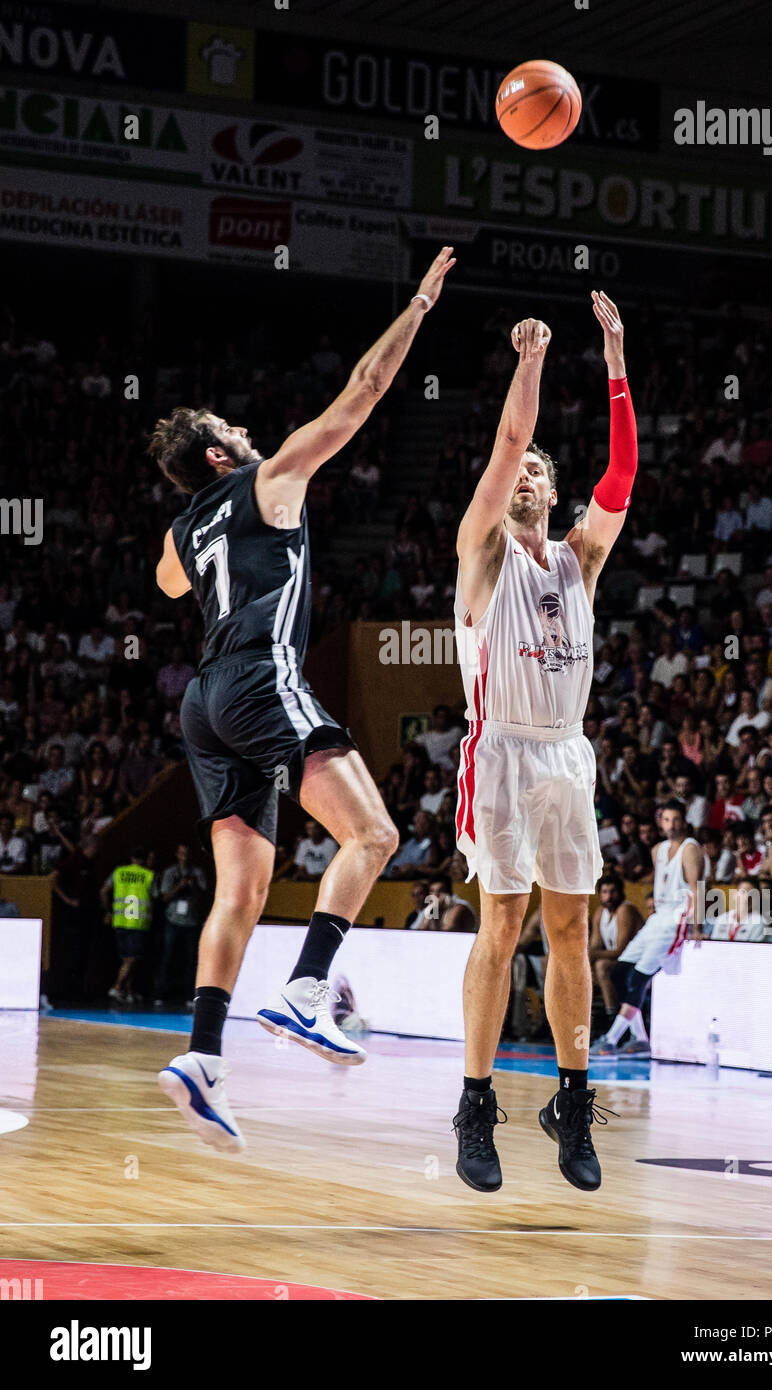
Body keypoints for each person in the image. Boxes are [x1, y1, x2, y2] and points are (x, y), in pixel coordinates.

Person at [148, 247, 455, 1152]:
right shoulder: (269, 480)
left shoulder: (180, 525)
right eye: (230, 429)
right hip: (255, 676)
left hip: (202, 703)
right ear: (218, 453)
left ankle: (201, 1058)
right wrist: (420, 307)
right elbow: (361, 391)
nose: (247, 432)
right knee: (375, 835)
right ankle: (308, 990)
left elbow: (169, 584)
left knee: (240, 891)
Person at [452, 291, 636, 1193]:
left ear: (555, 492)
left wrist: (614, 363)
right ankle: (477, 1103)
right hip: (500, 753)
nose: (523, 475)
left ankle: (571, 1096)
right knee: (503, 924)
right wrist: (529, 362)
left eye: (538, 471)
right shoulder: (482, 550)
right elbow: (503, 445)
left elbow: (625, 477)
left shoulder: (581, 558)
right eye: (516, 468)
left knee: (572, 930)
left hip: (567, 753)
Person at [590, 800, 703, 1058]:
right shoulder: (657, 850)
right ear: (660, 822)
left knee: (639, 978)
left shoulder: (690, 849)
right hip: (657, 918)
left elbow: (697, 888)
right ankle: (640, 1038)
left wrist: (696, 926)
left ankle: (611, 1039)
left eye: (676, 820)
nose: (671, 825)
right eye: (666, 820)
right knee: (620, 972)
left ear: (684, 822)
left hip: (676, 919)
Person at [153, 844, 209, 1006]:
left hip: (191, 921)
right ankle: (159, 995)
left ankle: (189, 995)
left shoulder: (197, 873)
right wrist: (180, 885)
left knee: (191, 960)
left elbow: (203, 896)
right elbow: (164, 897)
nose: (184, 856)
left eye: (187, 853)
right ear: (177, 854)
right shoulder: (171, 872)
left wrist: (193, 886)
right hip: (173, 920)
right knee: (167, 958)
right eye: (182, 853)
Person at [588, 872, 643, 1033]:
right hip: (618, 962)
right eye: (605, 892)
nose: (609, 896)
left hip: (636, 963)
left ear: (621, 892)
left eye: (613, 891)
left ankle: (612, 1019)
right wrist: (587, 959)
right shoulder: (600, 912)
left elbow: (621, 951)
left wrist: (591, 957)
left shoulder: (625, 910)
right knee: (589, 966)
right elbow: (595, 945)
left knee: (601, 966)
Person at [101, 846, 156, 1004]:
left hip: (119, 921)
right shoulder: (148, 875)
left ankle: (128, 991)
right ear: (145, 860)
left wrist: (108, 911)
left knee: (127, 958)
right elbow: (156, 896)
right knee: (131, 959)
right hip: (137, 922)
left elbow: (103, 891)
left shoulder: (118, 872)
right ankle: (117, 987)